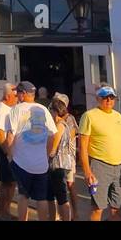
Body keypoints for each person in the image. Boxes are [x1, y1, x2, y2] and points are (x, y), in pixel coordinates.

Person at [4, 81, 58, 221]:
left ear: (23, 94)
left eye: (18, 93)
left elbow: (10, 135)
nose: (17, 96)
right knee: (41, 198)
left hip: (22, 162)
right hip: (41, 164)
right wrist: (46, 154)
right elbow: (53, 135)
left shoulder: (15, 110)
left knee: (23, 196)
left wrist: (10, 155)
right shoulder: (43, 109)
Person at [79, 85, 121, 221]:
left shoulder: (118, 116)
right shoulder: (89, 116)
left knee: (117, 209)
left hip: (119, 167)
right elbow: (83, 146)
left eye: (111, 97)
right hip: (100, 166)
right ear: (98, 98)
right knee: (98, 208)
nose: (108, 101)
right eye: (105, 98)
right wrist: (87, 171)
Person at [49, 93, 79, 222]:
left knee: (68, 186)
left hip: (65, 158)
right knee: (57, 189)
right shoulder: (54, 120)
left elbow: (71, 136)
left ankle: (74, 214)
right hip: (64, 158)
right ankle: (59, 215)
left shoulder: (68, 120)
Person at [0, 82, 18, 218]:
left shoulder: (11, 108)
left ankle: (7, 211)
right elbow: (0, 134)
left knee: (12, 182)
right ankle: (2, 213)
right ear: (8, 96)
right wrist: (7, 153)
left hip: (9, 147)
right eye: (15, 96)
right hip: (1, 147)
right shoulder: (1, 110)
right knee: (6, 181)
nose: (17, 98)